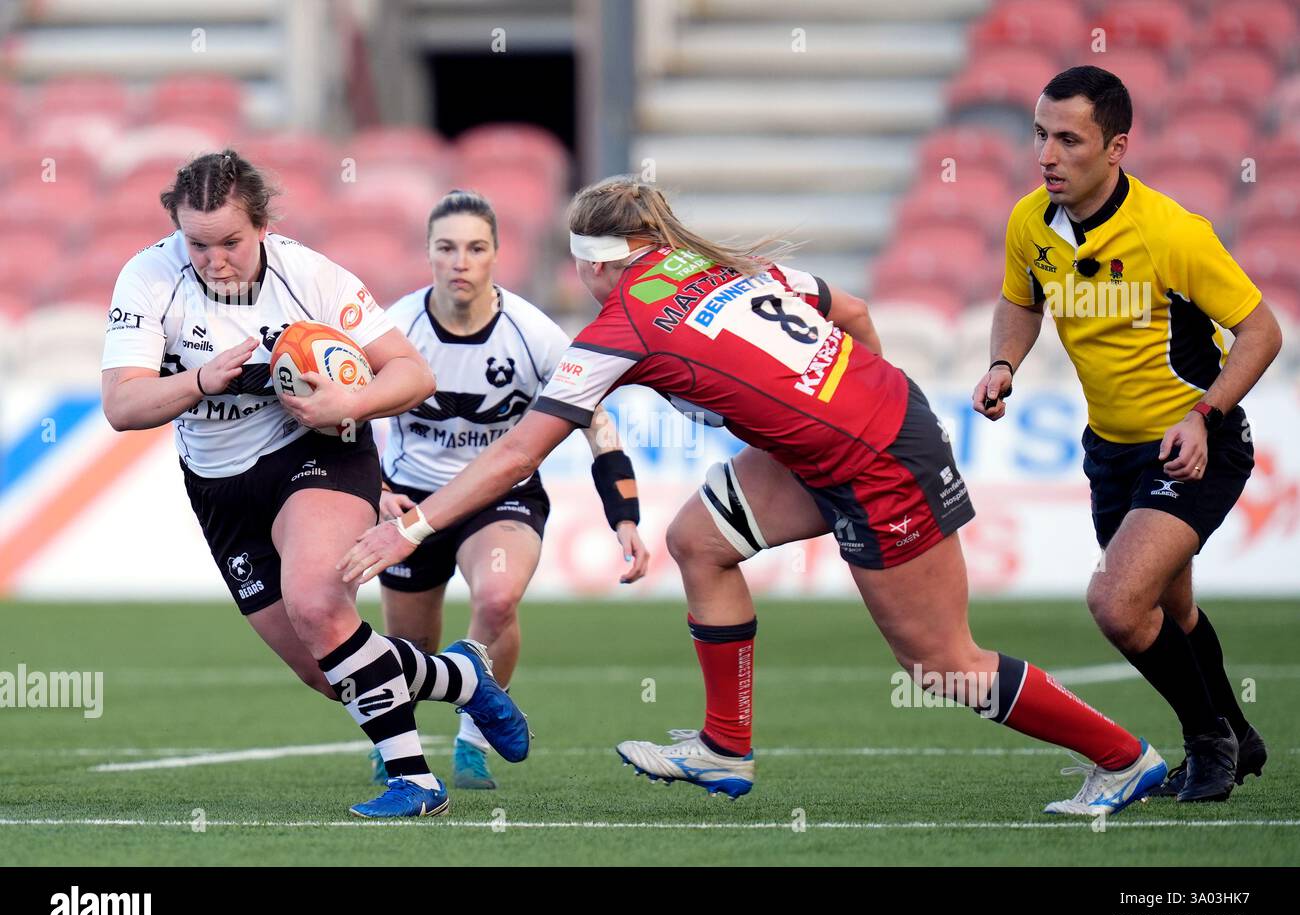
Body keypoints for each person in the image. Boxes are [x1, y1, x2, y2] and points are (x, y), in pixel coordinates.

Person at [341, 174, 1170, 817]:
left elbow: (521, 450)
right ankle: (725, 748)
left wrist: (410, 526)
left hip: (877, 464)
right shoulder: (725, 267)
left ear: (598, 265)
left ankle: (1123, 758)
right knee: (699, 541)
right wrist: (849, 401)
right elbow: (855, 312)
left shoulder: (623, 320)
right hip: (879, 426)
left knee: (941, 665)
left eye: (581, 268)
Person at [100, 149, 529, 819]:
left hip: (316, 449)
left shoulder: (309, 275)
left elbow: (412, 374)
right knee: (328, 671)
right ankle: (462, 676)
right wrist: (201, 380)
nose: (214, 259)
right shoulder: (149, 276)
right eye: (198, 243)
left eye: (231, 242)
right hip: (217, 485)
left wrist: (347, 405)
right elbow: (123, 407)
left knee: (316, 604)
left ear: (263, 226)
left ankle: (413, 781)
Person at [972, 66, 1282, 802]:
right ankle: (1239, 733)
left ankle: (1209, 744)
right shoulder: (1029, 223)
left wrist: (1203, 416)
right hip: (1109, 452)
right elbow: (1021, 301)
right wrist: (1002, 364)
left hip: (1195, 444)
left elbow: (1262, 332)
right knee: (1169, 611)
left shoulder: (1170, 232)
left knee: (1116, 604)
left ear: (1116, 149)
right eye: (1040, 134)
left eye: (1068, 139)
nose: (1046, 154)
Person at [371, 190, 649, 789]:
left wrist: (624, 514)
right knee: (409, 646)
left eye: (475, 248)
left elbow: (596, 422)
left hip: (501, 498)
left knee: (496, 599)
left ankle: (475, 738)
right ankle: (400, 743)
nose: (460, 262)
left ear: (498, 253)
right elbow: (346, 415)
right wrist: (375, 489)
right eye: (446, 248)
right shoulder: (393, 329)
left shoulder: (534, 334)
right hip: (411, 500)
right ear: (428, 254)